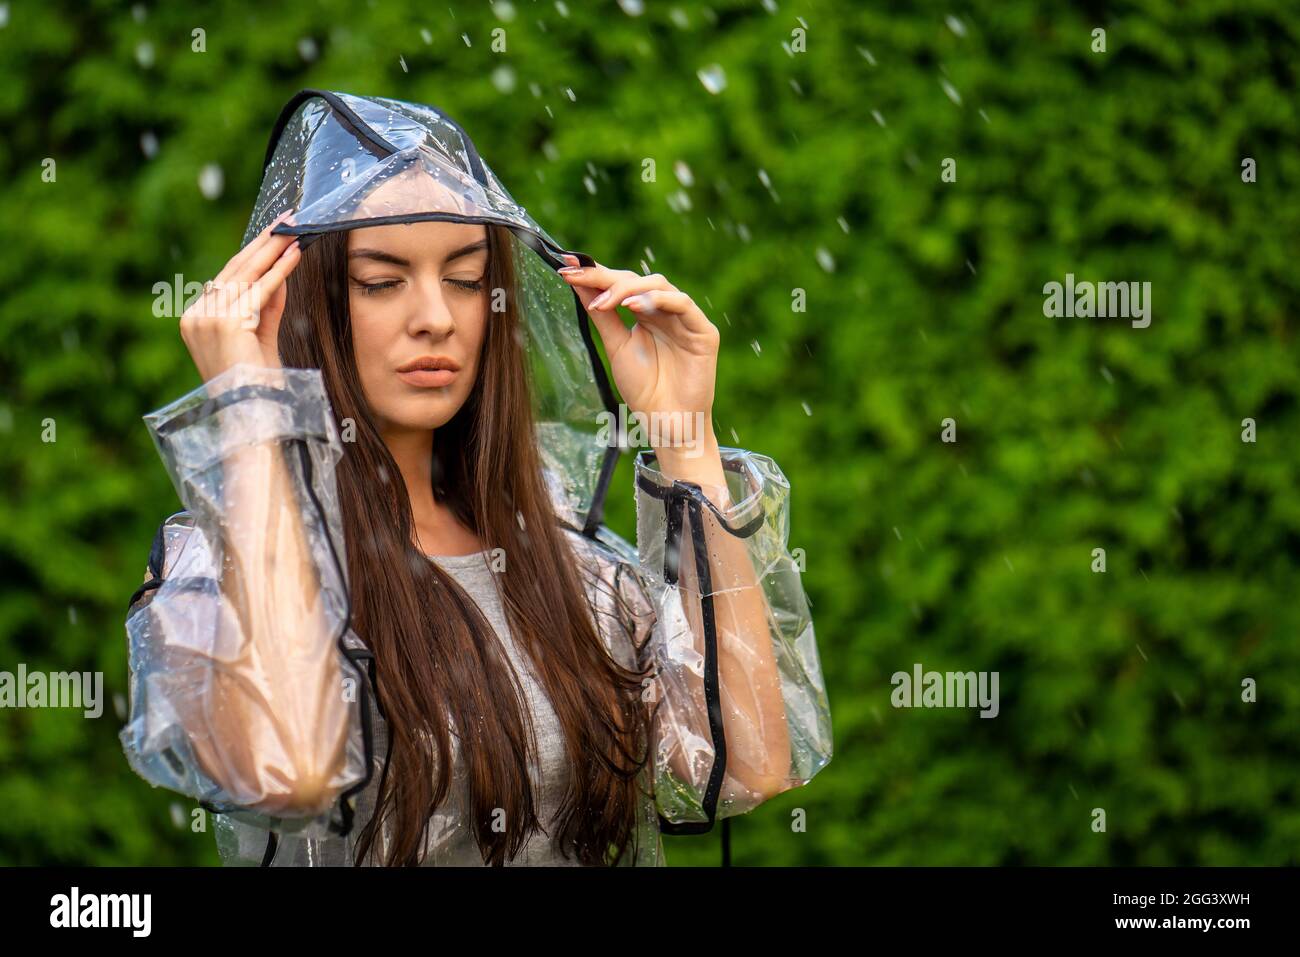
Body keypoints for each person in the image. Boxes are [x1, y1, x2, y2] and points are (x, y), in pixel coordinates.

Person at [120, 90, 832, 866]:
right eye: (382, 280)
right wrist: (255, 416)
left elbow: (747, 762)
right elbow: (290, 774)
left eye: (464, 278)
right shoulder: (220, 571)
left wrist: (684, 433)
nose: (437, 316)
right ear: (302, 304)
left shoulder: (569, 563)